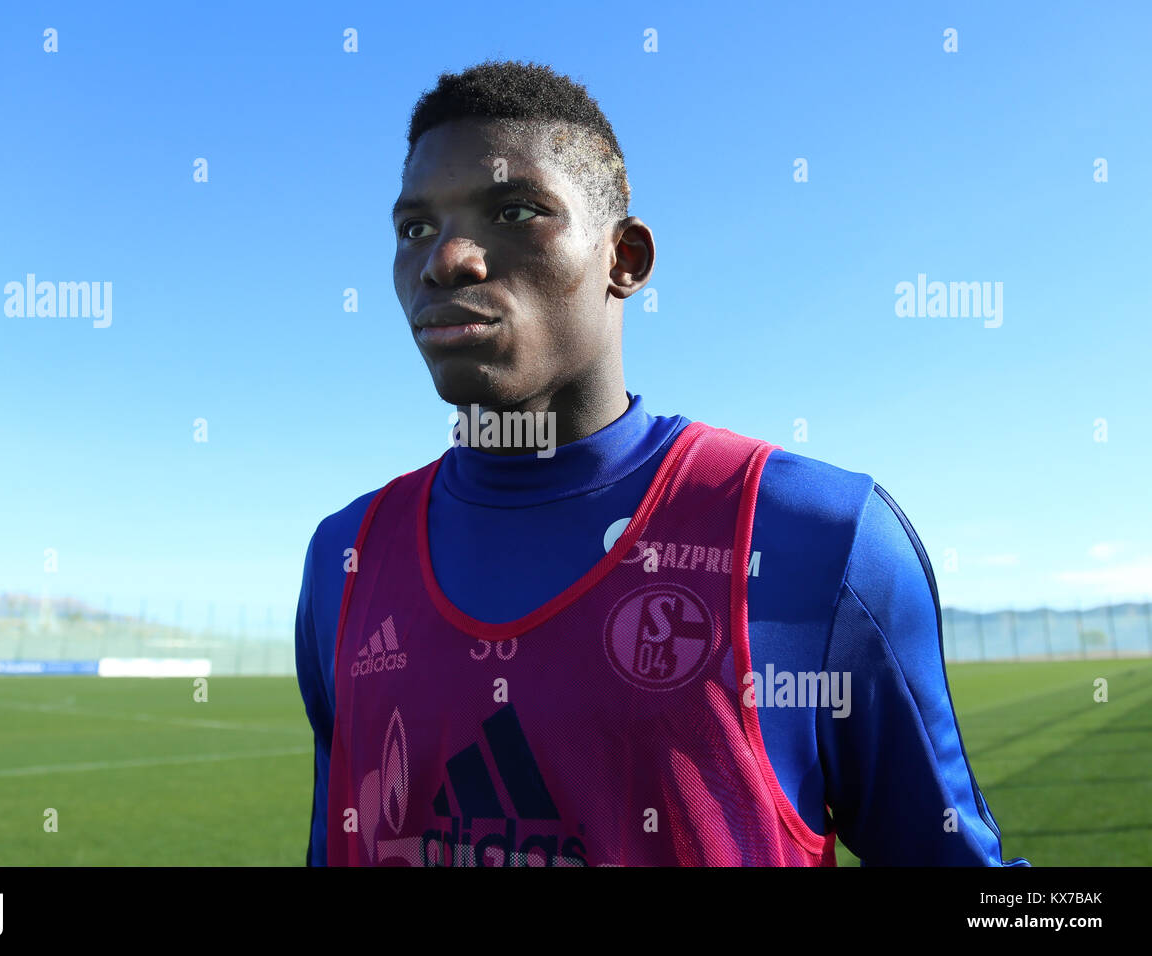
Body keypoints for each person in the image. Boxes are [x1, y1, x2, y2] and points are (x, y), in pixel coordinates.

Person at [294, 59, 1027, 867]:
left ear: (626, 260)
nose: (447, 259)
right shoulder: (345, 558)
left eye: (514, 210)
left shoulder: (816, 536)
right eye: (414, 228)